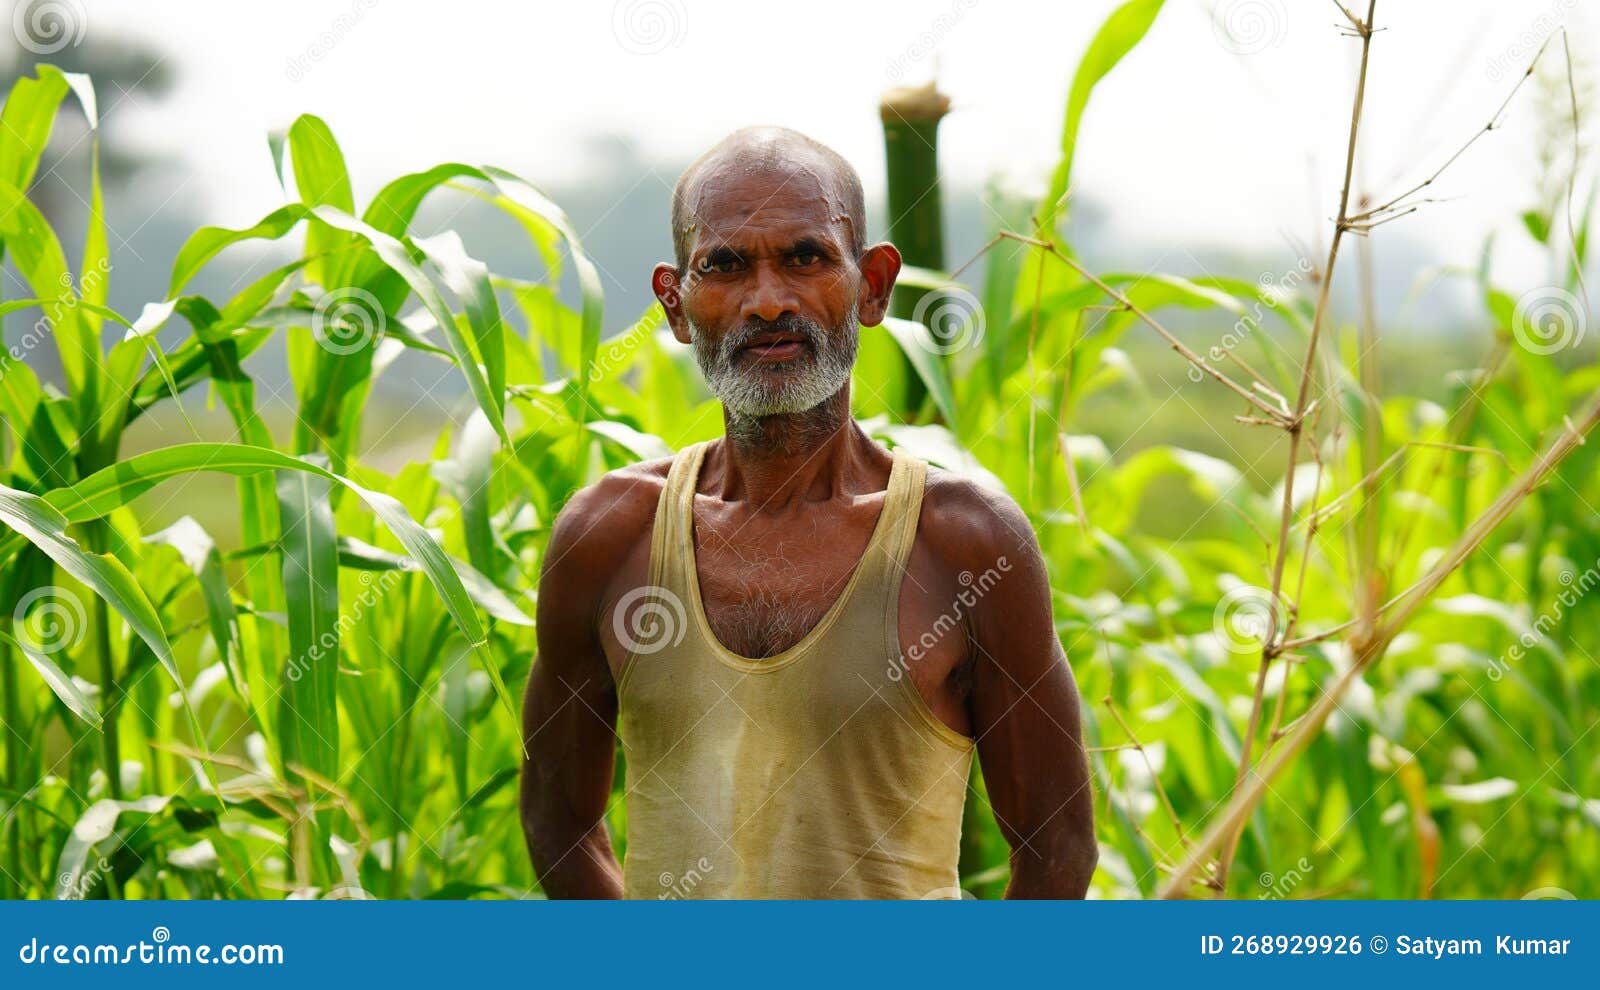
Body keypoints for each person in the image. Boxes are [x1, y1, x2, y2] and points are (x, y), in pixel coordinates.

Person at [520, 126, 1095, 899]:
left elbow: (1057, 846)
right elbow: (557, 823)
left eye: (806, 257)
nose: (767, 301)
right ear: (675, 303)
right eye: (723, 265)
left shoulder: (964, 544)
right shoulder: (608, 537)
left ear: (873, 286)